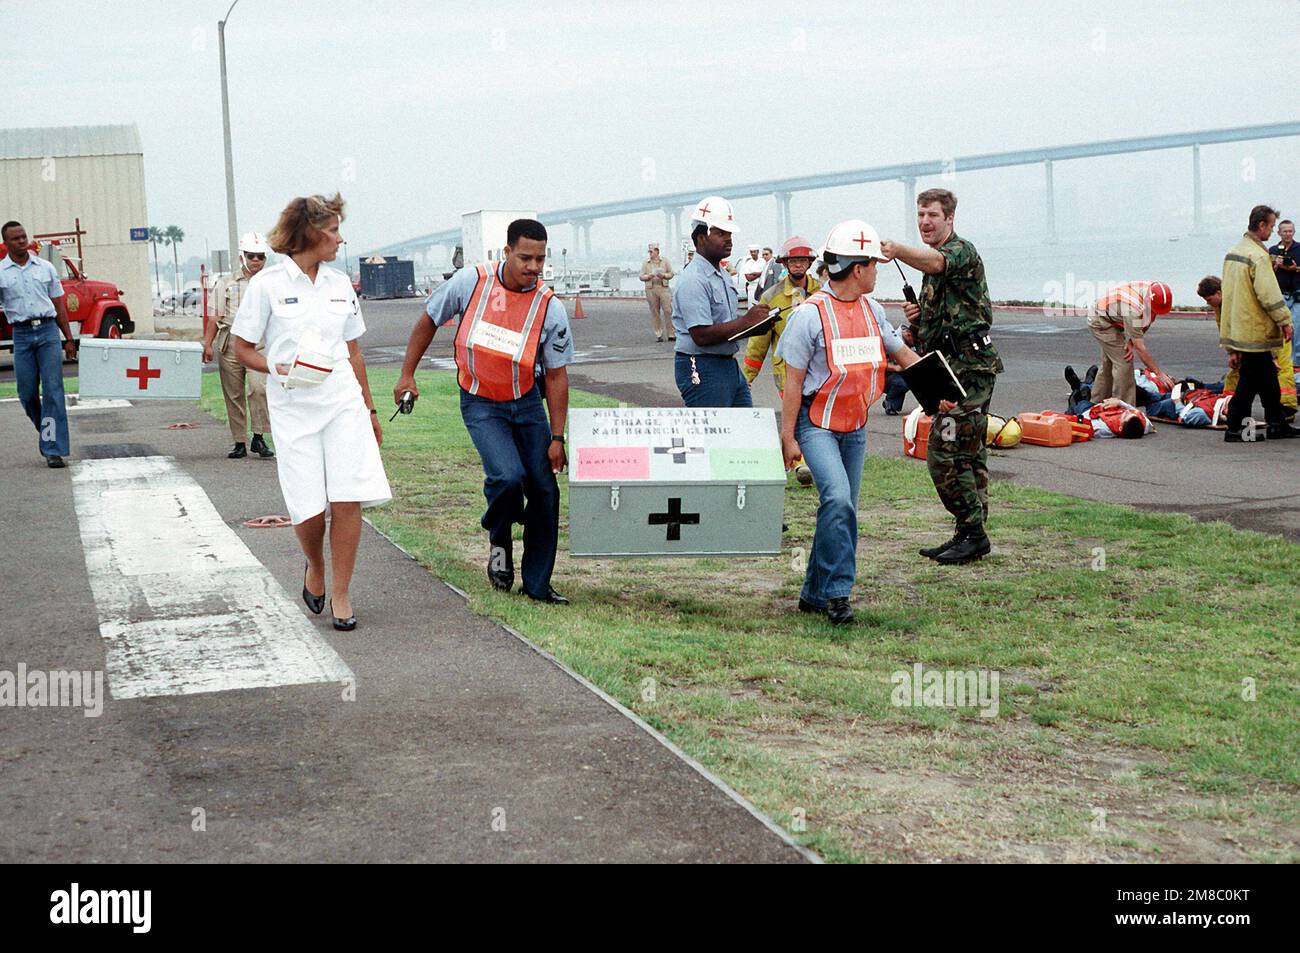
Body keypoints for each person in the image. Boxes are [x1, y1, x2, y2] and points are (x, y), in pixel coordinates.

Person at [231, 193, 391, 631]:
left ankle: (341, 591)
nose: (341, 239)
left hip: (342, 402)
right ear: (309, 234)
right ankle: (314, 565)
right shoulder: (267, 285)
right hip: (293, 405)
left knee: (346, 497)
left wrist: (370, 408)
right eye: (334, 231)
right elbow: (242, 348)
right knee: (308, 507)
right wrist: (273, 367)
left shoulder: (340, 285)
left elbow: (354, 351)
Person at [394, 218, 573, 604]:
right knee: (507, 478)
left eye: (540, 259)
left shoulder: (550, 308)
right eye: (525, 257)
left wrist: (557, 437)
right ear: (505, 252)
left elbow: (557, 377)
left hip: (526, 403)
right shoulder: (470, 282)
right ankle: (499, 539)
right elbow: (428, 320)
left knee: (544, 488)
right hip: (480, 401)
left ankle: (538, 585)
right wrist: (407, 374)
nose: (533, 267)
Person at [776, 220, 920, 624]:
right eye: (873, 264)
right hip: (815, 423)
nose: (877, 271)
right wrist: (788, 438)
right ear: (858, 269)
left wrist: (938, 389)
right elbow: (792, 384)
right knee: (837, 499)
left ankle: (813, 593)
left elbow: (903, 356)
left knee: (842, 508)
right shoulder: (808, 316)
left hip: (855, 426)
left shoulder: (873, 310)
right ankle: (838, 594)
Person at [882, 189, 1004, 565]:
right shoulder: (931, 274)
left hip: (970, 370)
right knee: (968, 453)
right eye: (920, 215)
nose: (925, 222)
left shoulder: (960, 252)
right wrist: (917, 326)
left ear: (950, 218)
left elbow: (935, 263)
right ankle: (970, 531)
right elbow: (940, 323)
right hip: (947, 367)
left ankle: (973, 533)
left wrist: (897, 249)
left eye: (933, 215)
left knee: (942, 453)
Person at [671, 196, 770, 408]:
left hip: (727, 365)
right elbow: (701, 334)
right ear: (700, 238)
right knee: (714, 437)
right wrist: (746, 321)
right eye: (720, 233)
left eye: (729, 234)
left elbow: (725, 327)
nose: (728, 239)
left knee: (742, 433)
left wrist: (757, 326)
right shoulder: (693, 279)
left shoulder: (722, 274)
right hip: (701, 365)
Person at [0, 222, 77, 468]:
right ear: (6, 243)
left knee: (53, 390)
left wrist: (68, 339)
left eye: (24, 237)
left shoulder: (45, 268)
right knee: (27, 393)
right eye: (16, 239)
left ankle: (53, 448)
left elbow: (59, 306)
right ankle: (46, 429)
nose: (22, 241)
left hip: (47, 332)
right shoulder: (1, 272)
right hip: (21, 335)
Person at [1220, 205, 1299, 441]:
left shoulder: (1234, 252)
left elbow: (1231, 294)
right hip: (1255, 330)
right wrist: (1284, 320)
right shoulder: (1258, 255)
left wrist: (1230, 342)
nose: (1273, 231)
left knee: (1267, 381)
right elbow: (1268, 294)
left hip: (1240, 326)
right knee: (1248, 383)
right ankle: (1237, 428)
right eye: (1272, 226)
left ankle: (1277, 424)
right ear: (1261, 225)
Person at [203, 231, 274, 459]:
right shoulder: (227, 283)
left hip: (258, 345)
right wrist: (208, 344)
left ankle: (259, 437)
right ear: (243, 256)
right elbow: (214, 317)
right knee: (233, 394)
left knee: (258, 388)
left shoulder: (272, 283)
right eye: (251, 256)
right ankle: (239, 442)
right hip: (230, 343)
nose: (256, 261)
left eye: (260, 256)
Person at [1085, 281, 1173, 405]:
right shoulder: (1133, 309)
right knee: (1124, 363)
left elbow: (1145, 321)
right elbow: (1141, 348)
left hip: (1113, 316)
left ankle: (1096, 402)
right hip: (1100, 321)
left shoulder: (1153, 289)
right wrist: (1159, 373)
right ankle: (1124, 408)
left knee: (1109, 364)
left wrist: (1130, 342)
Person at [1267, 219, 1299, 418]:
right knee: (1280, 337)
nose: (1287, 234)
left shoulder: (1299, 249)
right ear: (1278, 232)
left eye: (1290, 231)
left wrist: (1294, 268)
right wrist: (1276, 266)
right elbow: (1265, 273)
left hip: (1296, 296)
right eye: (1284, 231)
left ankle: (1295, 372)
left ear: (1294, 232)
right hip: (1279, 297)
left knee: (1295, 335)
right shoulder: (1272, 250)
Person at [638, 242, 675, 343]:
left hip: (663, 288)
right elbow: (641, 276)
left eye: (651, 251)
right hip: (651, 288)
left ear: (657, 251)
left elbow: (671, 273)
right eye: (649, 251)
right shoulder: (646, 263)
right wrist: (649, 276)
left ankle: (671, 333)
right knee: (655, 312)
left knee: (668, 310)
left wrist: (663, 275)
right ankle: (658, 333)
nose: (650, 253)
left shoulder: (665, 261)